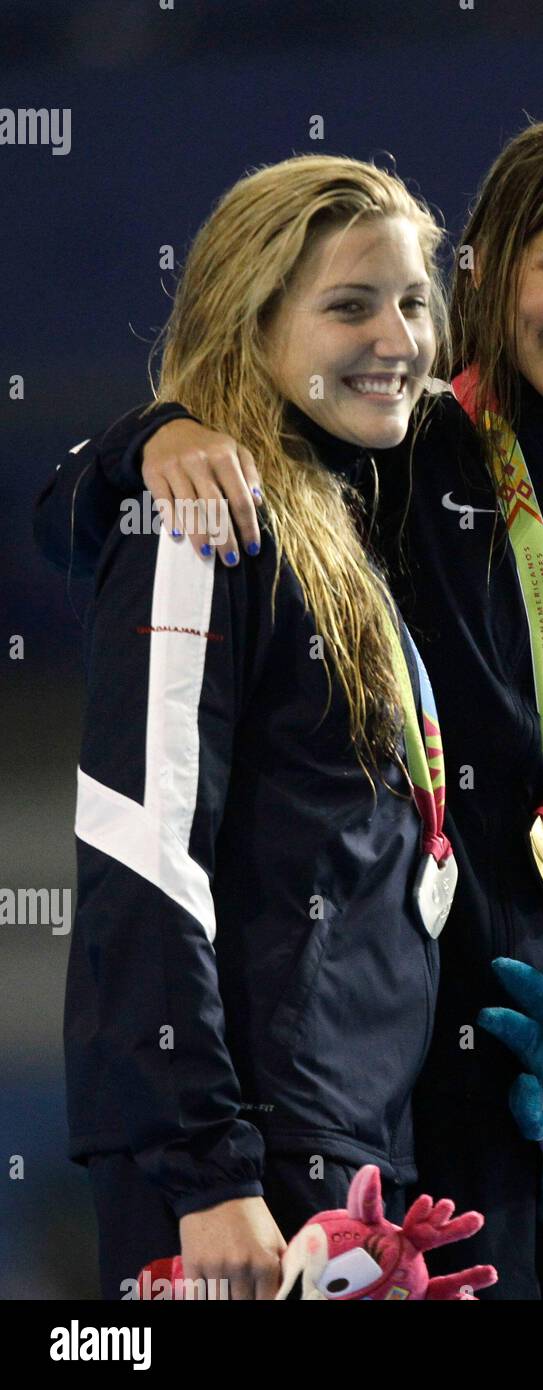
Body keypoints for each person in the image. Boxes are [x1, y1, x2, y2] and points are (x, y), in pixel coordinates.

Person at [33, 109, 543, 1300]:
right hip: (368, 1109)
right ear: (493, 267)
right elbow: (83, 534)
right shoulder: (395, 457)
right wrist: (153, 437)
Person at [38, 155, 452, 1300]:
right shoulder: (201, 521)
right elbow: (144, 854)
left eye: (414, 301)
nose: (397, 336)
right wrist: (204, 1171)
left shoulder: (333, 509)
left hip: (335, 1150)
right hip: (242, 1174)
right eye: (349, 304)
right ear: (249, 319)